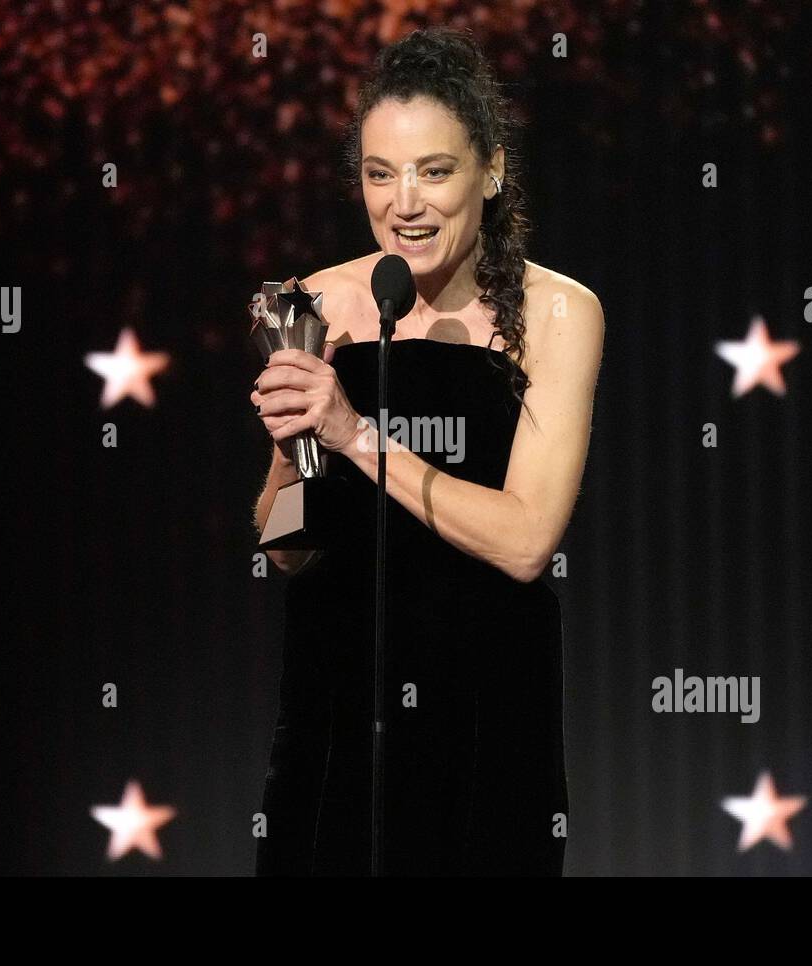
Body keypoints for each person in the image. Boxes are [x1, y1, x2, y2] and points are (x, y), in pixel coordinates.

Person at [250, 26, 603, 875]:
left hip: (485, 717)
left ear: (491, 171)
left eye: (433, 171)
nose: (403, 202)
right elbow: (285, 549)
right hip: (336, 711)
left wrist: (355, 435)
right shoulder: (313, 302)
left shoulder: (559, 313)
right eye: (379, 174)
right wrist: (297, 449)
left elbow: (525, 543)